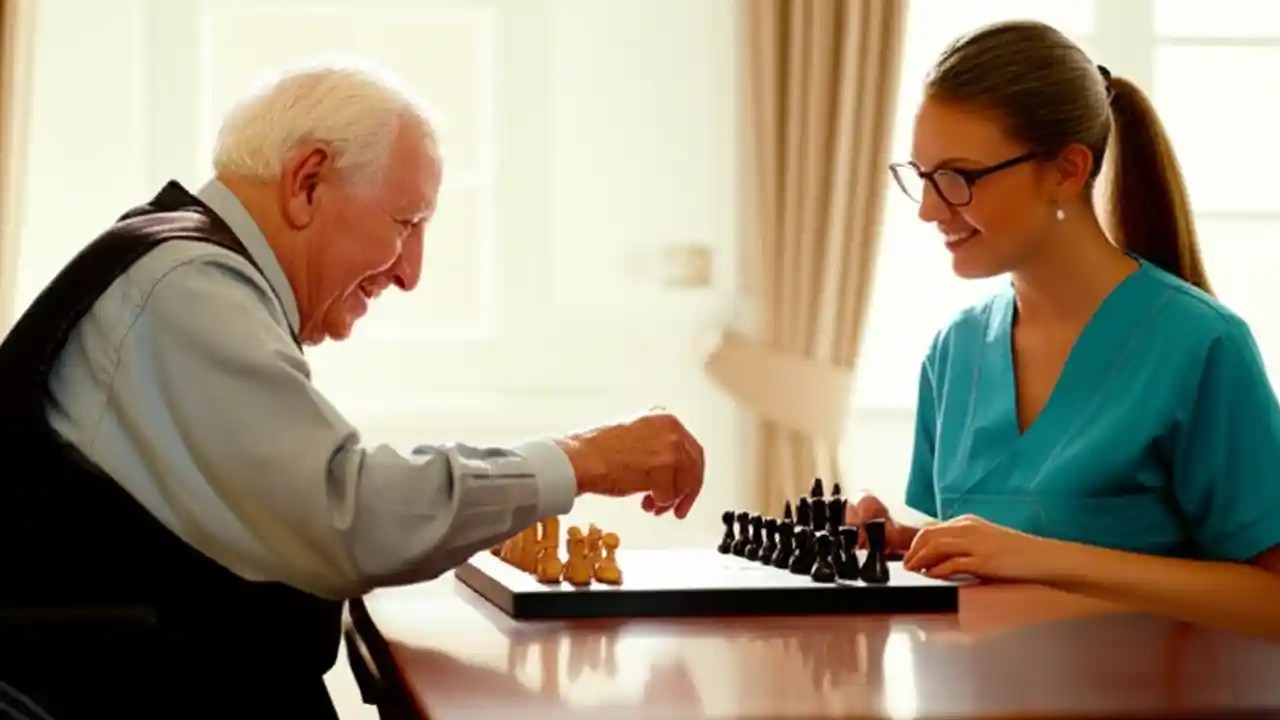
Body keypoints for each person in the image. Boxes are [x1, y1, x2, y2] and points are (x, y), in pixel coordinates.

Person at [0, 63, 703, 717]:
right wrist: (583, 459)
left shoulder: (186, 271)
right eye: (406, 224)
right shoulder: (184, 287)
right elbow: (348, 514)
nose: (411, 273)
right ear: (307, 182)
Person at [847, 20, 1280, 639]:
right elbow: (994, 577)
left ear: (1067, 170)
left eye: (958, 177)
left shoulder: (1200, 345)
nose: (929, 208)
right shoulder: (955, 353)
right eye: (921, 176)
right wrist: (905, 543)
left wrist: (1036, 556)